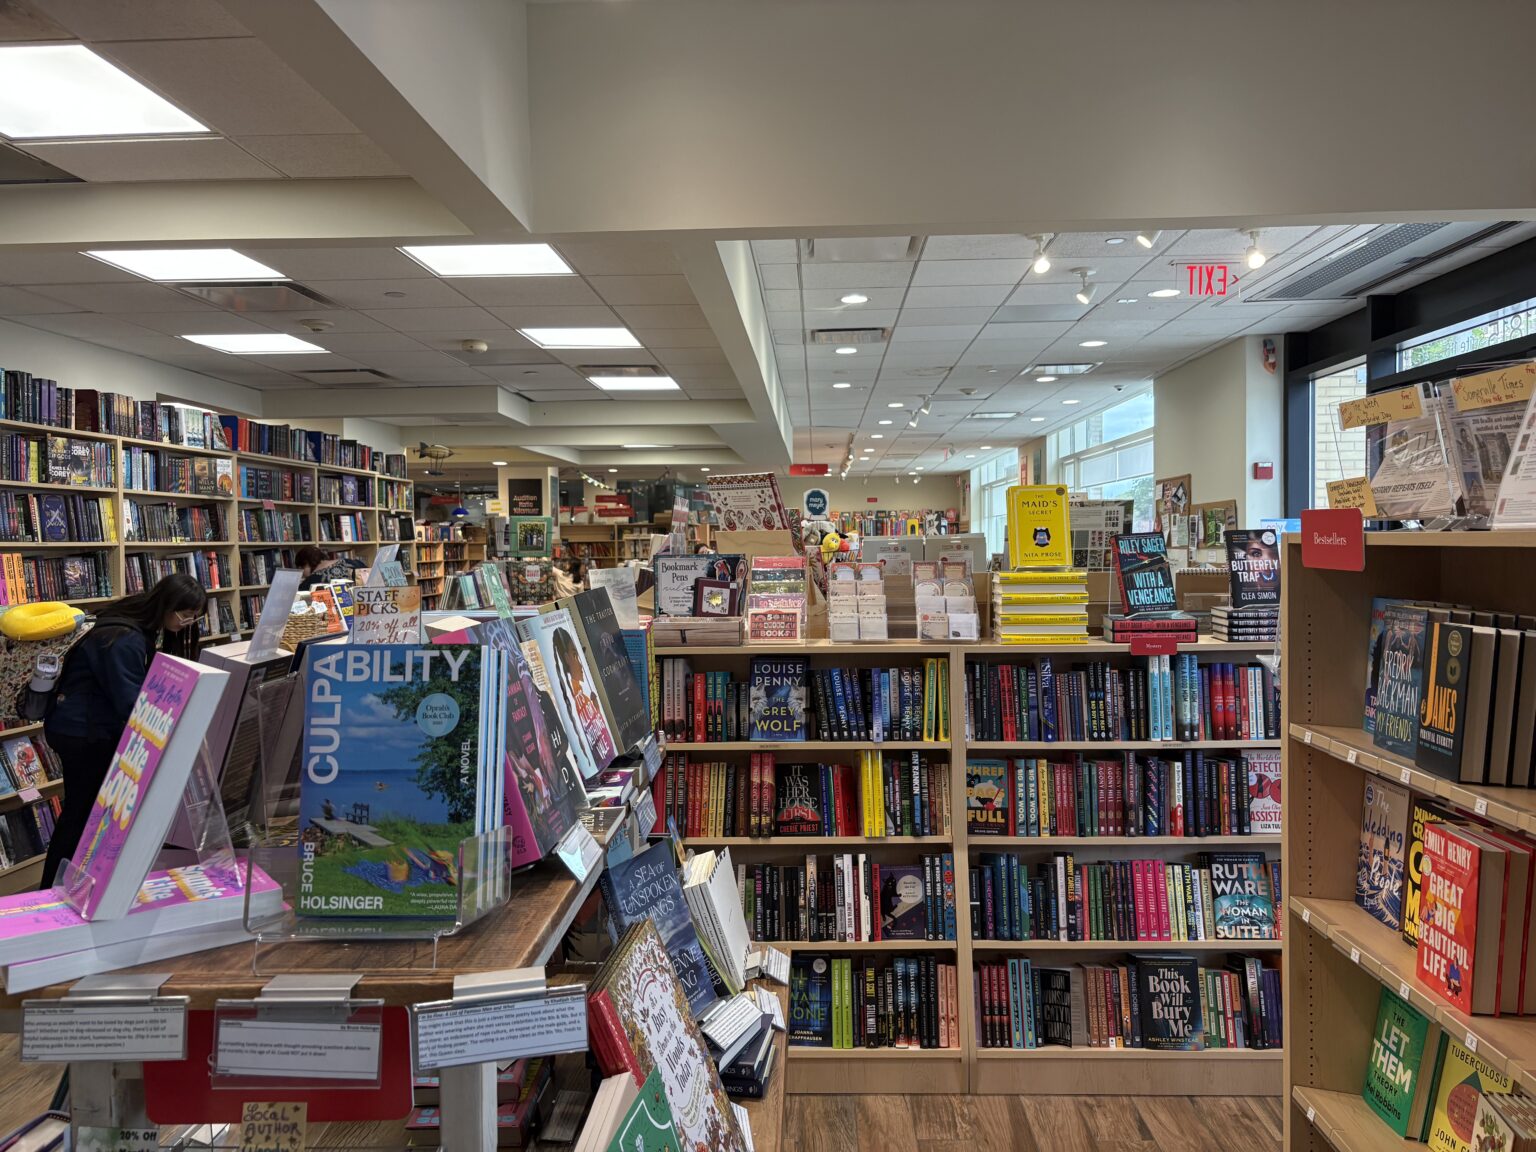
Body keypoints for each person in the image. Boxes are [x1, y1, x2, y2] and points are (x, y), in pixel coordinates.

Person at [40, 573, 207, 887]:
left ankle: (72, 883)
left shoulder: (131, 625)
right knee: (81, 812)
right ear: (168, 606)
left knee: (83, 810)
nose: (188, 623)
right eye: (186, 615)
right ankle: (52, 888)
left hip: (84, 728)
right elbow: (129, 699)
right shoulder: (124, 639)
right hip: (84, 734)